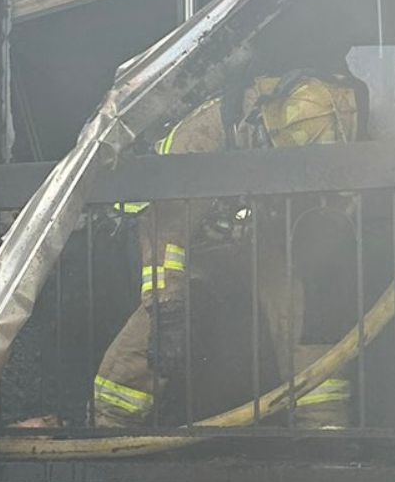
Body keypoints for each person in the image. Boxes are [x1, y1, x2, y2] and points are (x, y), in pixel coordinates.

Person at [92, 71, 364, 430]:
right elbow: (165, 233)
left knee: (301, 315)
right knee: (151, 334)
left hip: (260, 243)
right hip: (190, 250)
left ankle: (323, 427)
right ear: (260, 126)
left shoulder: (321, 122)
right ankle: (112, 423)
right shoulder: (201, 137)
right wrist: (167, 308)